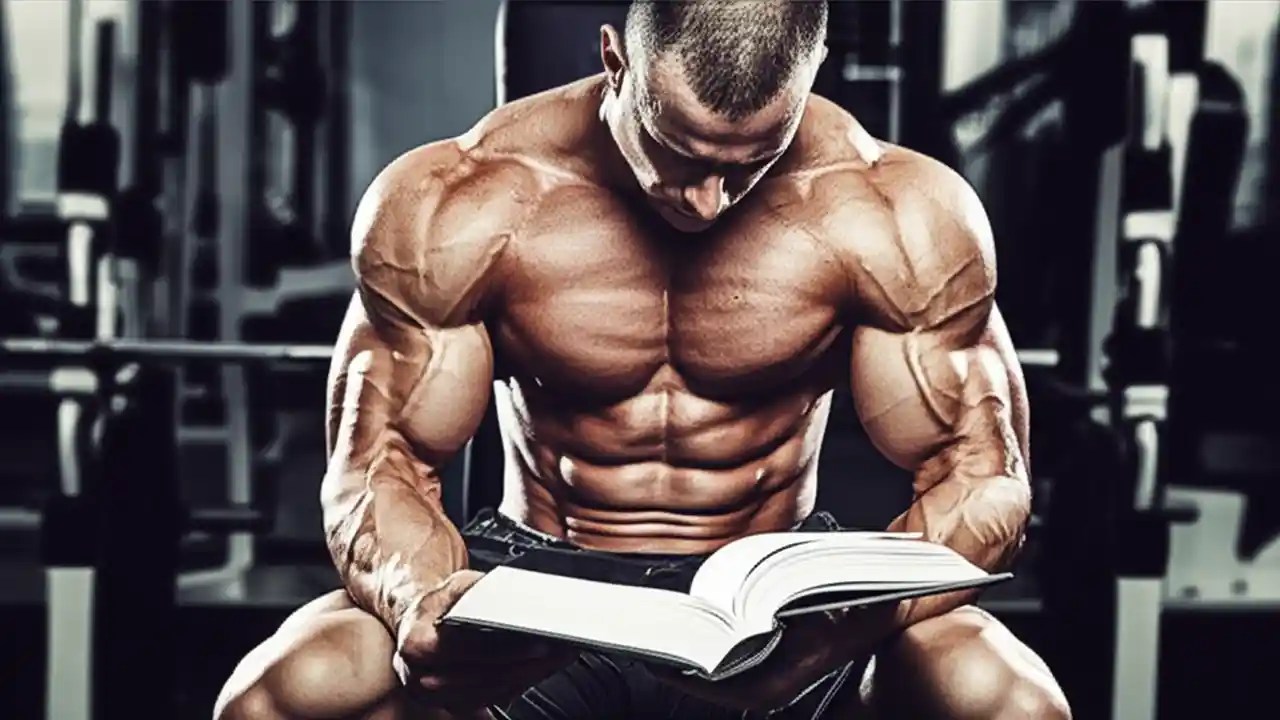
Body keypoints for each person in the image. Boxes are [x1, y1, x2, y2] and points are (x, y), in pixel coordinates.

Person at [215, 1, 1071, 718]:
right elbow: (379, 465)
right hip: (538, 597)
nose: (706, 202)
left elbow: (984, 477)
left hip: (781, 611)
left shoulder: (894, 213)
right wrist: (421, 604)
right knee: (278, 695)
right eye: (679, 156)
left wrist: (835, 633)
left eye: (749, 167)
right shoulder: (463, 202)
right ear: (615, 61)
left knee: (1008, 699)